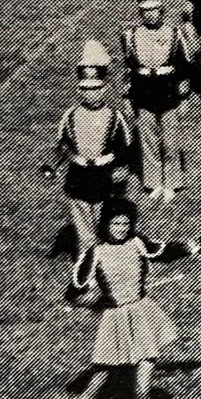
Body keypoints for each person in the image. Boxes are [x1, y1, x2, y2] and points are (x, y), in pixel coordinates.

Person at [39, 198, 201, 399]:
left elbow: (170, 251)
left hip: (143, 315)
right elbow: (72, 293)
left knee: (144, 378)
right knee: (98, 381)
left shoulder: (138, 242)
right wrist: (97, 302)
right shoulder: (94, 253)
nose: (120, 228)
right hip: (114, 321)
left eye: (125, 223)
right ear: (105, 224)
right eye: (115, 223)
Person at [121, 0, 200, 202]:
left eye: (154, 10)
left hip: (168, 94)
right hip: (144, 95)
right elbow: (128, 70)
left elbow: (184, 67)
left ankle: (172, 182)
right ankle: (154, 181)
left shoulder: (175, 34)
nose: (150, 15)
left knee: (170, 139)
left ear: (161, 10)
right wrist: (127, 98)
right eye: (145, 11)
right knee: (148, 140)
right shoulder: (131, 36)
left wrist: (184, 97)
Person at [48, 41, 136, 256]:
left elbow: (126, 149)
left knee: (102, 222)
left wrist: (110, 160)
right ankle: (85, 264)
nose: (91, 94)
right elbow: (62, 145)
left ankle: (104, 260)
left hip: (103, 179)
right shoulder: (70, 116)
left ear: (104, 89)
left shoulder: (115, 117)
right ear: (79, 90)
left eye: (96, 89)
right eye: (86, 90)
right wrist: (66, 161)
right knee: (82, 224)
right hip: (78, 179)